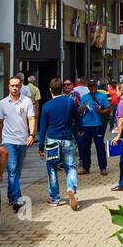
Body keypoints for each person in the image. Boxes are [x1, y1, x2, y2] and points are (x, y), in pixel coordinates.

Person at [0, 76, 35, 213]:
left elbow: (31, 118)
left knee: (18, 170)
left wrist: (31, 134)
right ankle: (17, 199)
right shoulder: (3, 103)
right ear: (8, 86)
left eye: (17, 85)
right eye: (12, 85)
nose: (14, 88)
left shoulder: (27, 101)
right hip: (8, 140)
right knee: (12, 168)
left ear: (21, 86)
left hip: (22, 140)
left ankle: (11, 193)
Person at [39, 76, 81, 208]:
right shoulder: (69, 102)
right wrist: (79, 130)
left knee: (52, 168)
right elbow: (78, 117)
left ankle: (54, 198)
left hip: (52, 139)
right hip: (67, 137)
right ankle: (71, 189)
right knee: (70, 167)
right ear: (62, 88)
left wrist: (41, 146)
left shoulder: (46, 106)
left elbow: (42, 128)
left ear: (50, 90)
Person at [76, 79, 110, 175]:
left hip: (98, 125)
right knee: (85, 147)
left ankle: (103, 168)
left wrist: (101, 112)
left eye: (94, 86)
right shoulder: (85, 97)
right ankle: (86, 167)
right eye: (90, 86)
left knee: (100, 146)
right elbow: (80, 111)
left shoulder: (102, 96)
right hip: (86, 125)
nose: (92, 88)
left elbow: (108, 109)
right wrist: (83, 107)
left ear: (96, 86)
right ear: (88, 87)